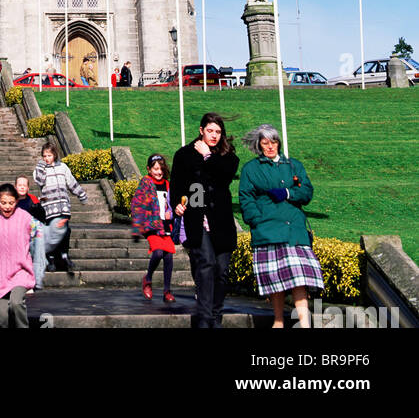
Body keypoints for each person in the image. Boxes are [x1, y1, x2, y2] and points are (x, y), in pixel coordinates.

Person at [238, 124, 323, 329]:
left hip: (294, 230)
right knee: (276, 280)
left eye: (273, 142)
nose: (270, 147)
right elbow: (245, 197)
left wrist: (288, 193)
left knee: (299, 279)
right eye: (265, 143)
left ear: (279, 142)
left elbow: (307, 192)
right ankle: (278, 321)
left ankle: (304, 323)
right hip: (267, 230)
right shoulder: (251, 169)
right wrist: (256, 220)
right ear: (259, 145)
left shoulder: (294, 165)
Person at [170, 111, 239, 329]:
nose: (214, 135)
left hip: (221, 220)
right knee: (206, 263)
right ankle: (205, 318)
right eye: (210, 131)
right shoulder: (184, 155)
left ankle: (216, 316)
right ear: (201, 131)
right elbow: (178, 185)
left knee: (222, 270)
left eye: (218, 132)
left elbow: (226, 175)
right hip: (198, 218)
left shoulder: (226, 155)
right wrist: (178, 205)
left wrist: (209, 156)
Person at [0, 183, 36, 328]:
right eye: (3, 203)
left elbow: (39, 233)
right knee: (2, 316)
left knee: (16, 302)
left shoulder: (24, 217)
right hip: (0, 274)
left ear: (16, 202)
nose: (7, 206)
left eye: (11, 203)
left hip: (20, 271)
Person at [131, 152, 183, 302]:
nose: (159, 172)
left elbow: (172, 204)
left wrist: (171, 213)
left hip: (166, 226)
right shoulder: (146, 182)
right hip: (152, 225)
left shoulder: (167, 184)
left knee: (168, 257)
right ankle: (147, 279)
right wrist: (137, 227)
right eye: (155, 169)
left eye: (161, 169)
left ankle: (167, 290)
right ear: (149, 169)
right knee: (158, 253)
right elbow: (137, 204)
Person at [33, 140, 87, 271]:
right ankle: (50, 258)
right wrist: (41, 167)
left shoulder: (63, 167)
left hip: (63, 206)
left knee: (66, 231)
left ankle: (64, 255)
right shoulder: (40, 169)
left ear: (55, 155)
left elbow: (71, 183)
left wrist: (81, 194)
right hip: (49, 208)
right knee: (51, 233)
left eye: (49, 155)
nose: (47, 158)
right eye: (44, 156)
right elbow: (38, 181)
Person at [14, 175, 48, 288]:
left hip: (33, 231)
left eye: (24, 185)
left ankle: (37, 281)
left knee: (39, 248)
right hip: (17, 232)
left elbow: (42, 217)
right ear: (15, 187)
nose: (22, 187)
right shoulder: (11, 200)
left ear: (28, 188)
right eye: (20, 185)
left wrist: (37, 207)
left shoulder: (33, 199)